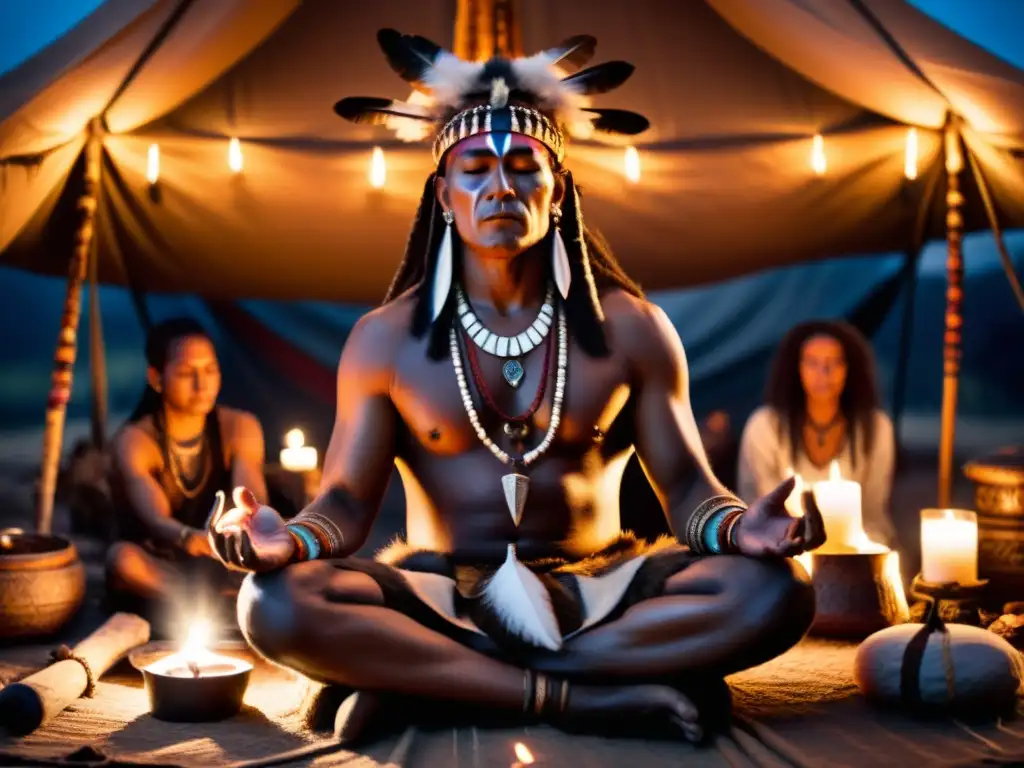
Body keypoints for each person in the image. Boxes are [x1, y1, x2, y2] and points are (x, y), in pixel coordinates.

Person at [207, 31, 824, 743]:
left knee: (778, 591)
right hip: (437, 592)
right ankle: (575, 698)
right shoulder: (384, 339)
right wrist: (290, 540)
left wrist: (742, 527)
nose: (500, 186)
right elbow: (345, 502)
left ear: (558, 189)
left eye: (524, 166)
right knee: (274, 604)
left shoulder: (633, 329)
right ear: (443, 194)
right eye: (475, 167)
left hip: (605, 592)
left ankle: (430, 684)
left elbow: (686, 487)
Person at [105, 317, 268, 624]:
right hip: (165, 564)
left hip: (223, 561)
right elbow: (154, 518)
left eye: (210, 369)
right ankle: (212, 604)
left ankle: (215, 601)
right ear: (156, 378)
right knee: (122, 559)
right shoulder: (136, 440)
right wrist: (188, 538)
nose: (202, 383)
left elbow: (253, 498)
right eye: (186, 373)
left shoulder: (240, 426)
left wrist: (242, 535)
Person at [737, 320, 897, 548]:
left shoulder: (876, 429)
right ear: (796, 368)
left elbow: (873, 515)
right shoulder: (765, 427)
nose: (824, 372)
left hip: (853, 556)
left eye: (835, 362)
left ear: (849, 369)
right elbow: (761, 510)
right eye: (812, 363)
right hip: (782, 553)